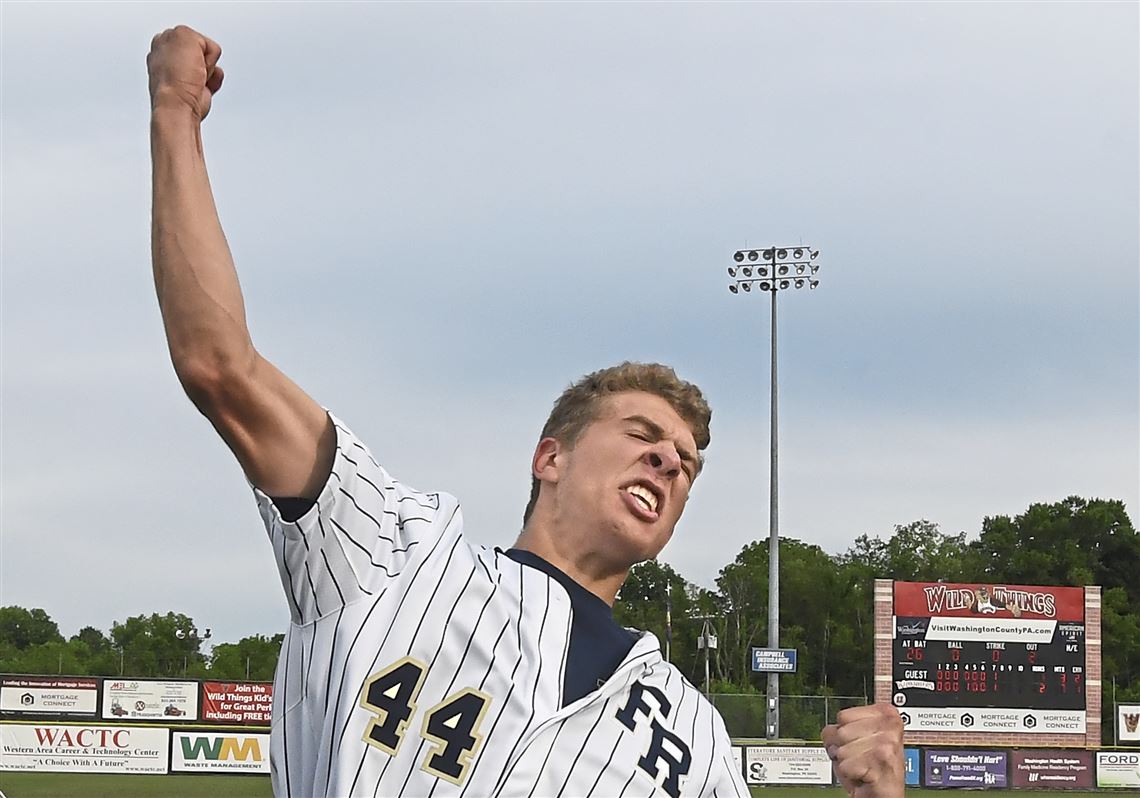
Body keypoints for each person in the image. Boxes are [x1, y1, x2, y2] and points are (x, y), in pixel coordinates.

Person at [147, 25, 905, 797]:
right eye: (642, 435)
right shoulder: (396, 556)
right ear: (551, 457)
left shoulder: (691, 735)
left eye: (686, 463)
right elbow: (221, 366)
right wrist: (176, 113)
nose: (669, 462)